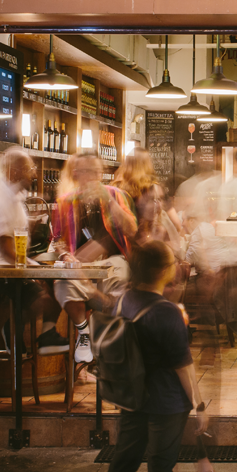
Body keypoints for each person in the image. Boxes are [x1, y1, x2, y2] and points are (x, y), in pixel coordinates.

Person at [96, 240, 210, 472]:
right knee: (160, 465)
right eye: (172, 261)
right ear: (163, 271)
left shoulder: (122, 301)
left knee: (124, 460)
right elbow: (183, 367)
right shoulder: (166, 312)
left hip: (131, 397)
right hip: (165, 402)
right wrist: (199, 406)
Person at [52, 151, 137, 363]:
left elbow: (131, 230)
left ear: (101, 174)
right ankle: (84, 332)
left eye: (95, 172)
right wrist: (64, 254)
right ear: (76, 174)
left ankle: (113, 343)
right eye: (86, 171)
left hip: (113, 262)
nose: (91, 177)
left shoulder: (117, 195)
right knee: (62, 283)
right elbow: (56, 239)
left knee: (119, 284)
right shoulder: (65, 202)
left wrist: (108, 201)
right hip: (80, 266)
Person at [0, 148, 58, 348]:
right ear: (13, 171)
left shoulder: (14, 198)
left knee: (55, 285)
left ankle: (32, 333)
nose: (34, 174)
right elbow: (4, 246)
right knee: (42, 298)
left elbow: (14, 235)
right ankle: (12, 330)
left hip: (11, 267)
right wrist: (30, 269)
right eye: (29, 168)